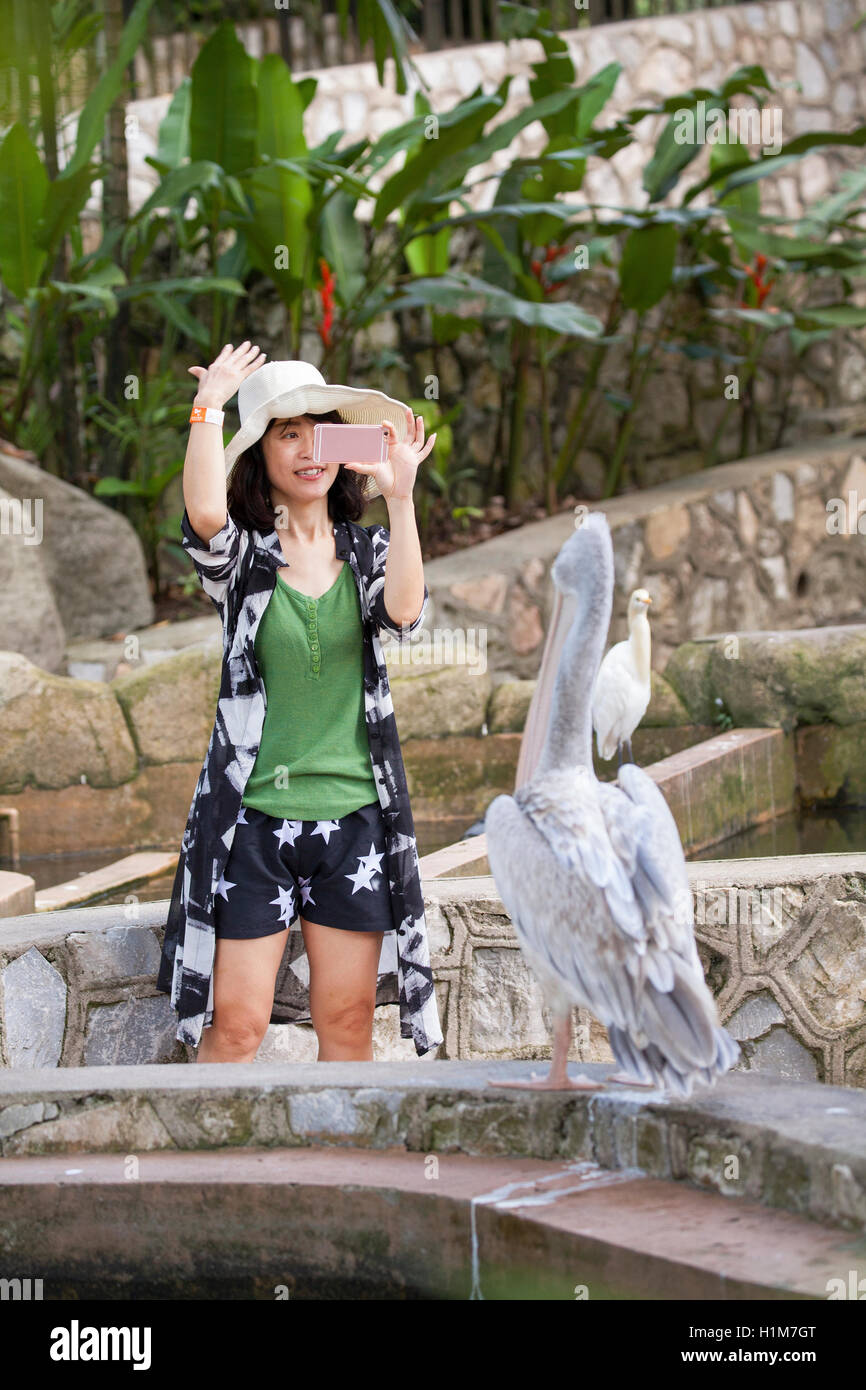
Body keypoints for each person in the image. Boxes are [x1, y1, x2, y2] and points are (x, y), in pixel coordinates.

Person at [155, 343, 444, 1064]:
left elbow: (405, 613)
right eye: (288, 434)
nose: (310, 449)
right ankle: (211, 1174)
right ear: (259, 455)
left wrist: (401, 495)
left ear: (345, 449)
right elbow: (200, 509)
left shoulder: (368, 550)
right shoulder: (245, 562)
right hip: (252, 826)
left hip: (356, 823)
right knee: (240, 1026)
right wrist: (209, 408)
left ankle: (339, 1173)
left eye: (323, 431)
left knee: (346, 1024)